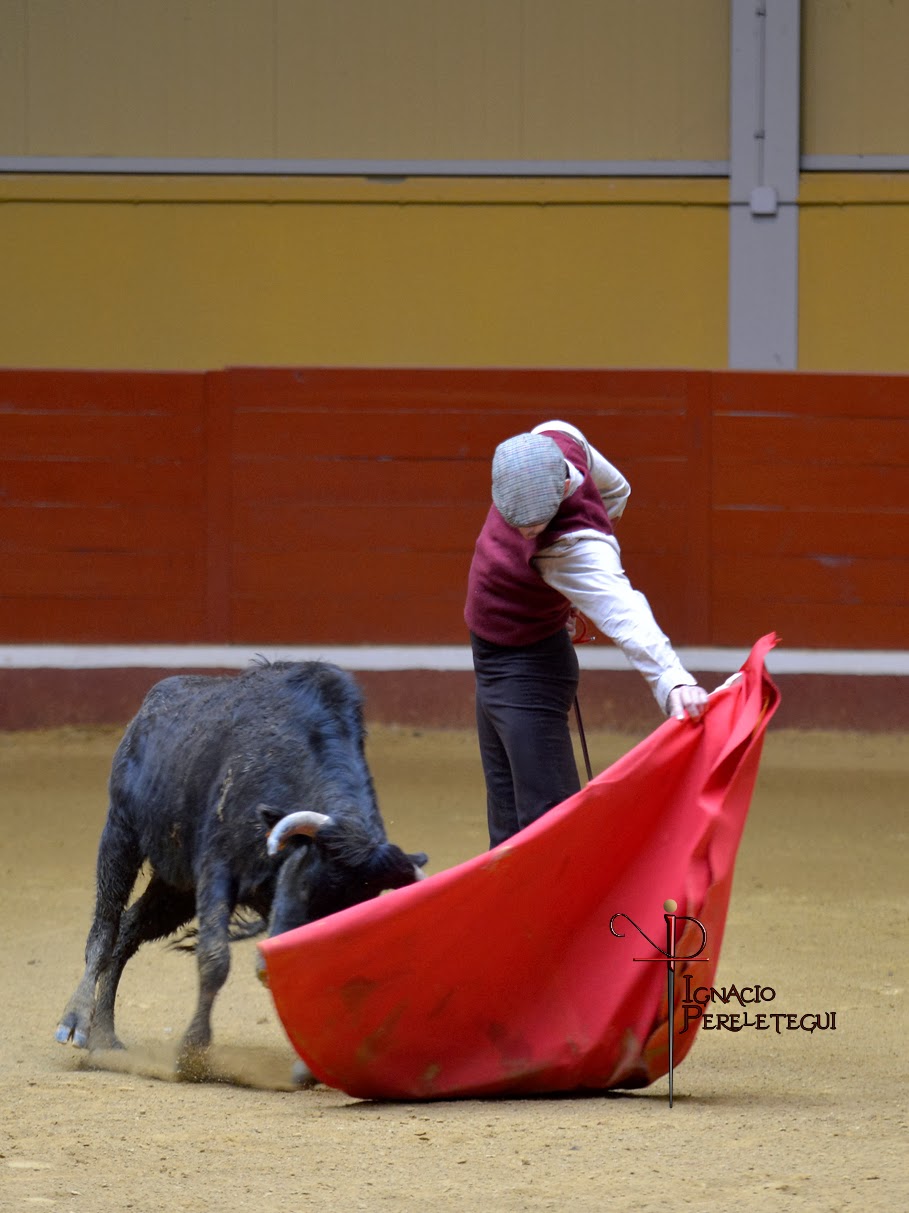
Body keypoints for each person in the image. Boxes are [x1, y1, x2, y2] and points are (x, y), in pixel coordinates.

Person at [464, 419, 709, 848]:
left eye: (534, 525)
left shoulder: (574, 548)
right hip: (494, 661)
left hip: (526, 671)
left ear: (561, 490)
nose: (523, 533)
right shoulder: (557, 436)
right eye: (514, 519)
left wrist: (672, 679)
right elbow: (616, 492)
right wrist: (569, 590)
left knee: (552, 828)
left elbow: (624, 610)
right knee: (506, 830)